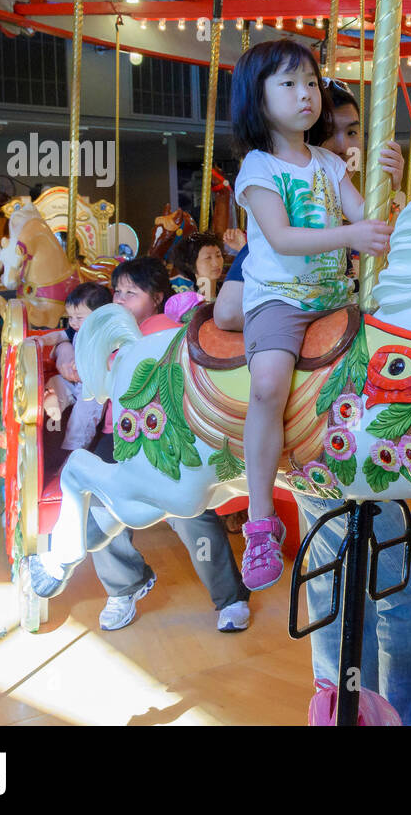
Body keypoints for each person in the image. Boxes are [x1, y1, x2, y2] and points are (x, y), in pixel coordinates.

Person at [218, 69, 411, 725]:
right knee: (409, 597)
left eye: (360, 132)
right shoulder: (283, 201)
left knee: (353, 590)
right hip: (324, 422)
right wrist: (309, 296)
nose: (354, 145)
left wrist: (391, 194)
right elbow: (231, 305)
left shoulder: (337, 189)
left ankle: (356, 709)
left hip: (361, 416)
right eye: (342, 133)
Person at [85, 257, 252, 633]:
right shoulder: (111, 332)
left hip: (168, 435)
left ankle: (230, 596)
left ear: (157, 298)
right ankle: (124, 584)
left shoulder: (169, 332)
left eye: (133, 292)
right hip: (122, 439)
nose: (122, 299)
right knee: (99, 498)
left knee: (191, 508)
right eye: (118, 292)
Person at [39, 282, 112, 452]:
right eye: (70, 317)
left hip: (93, 387)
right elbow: (59, 335)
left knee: (83, 417)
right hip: (73, 381)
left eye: (79, 317)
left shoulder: (105, 333)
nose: (73, 322)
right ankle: (51, 418)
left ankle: (73, 450)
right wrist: (42, 340)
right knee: (52, 384)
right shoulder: (77, 330)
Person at [170, 230, 226, 299]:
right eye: (208, 258)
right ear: (190, 264)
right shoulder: (187, 301)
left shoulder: (228, 292)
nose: (216, 263)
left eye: (218, 255)